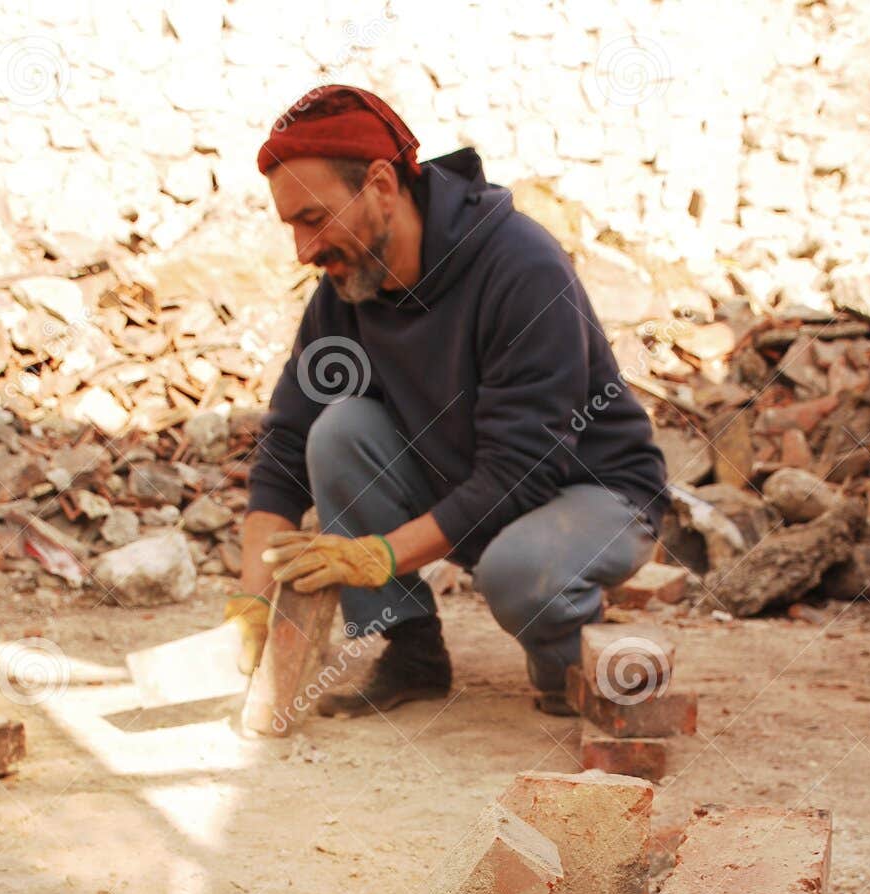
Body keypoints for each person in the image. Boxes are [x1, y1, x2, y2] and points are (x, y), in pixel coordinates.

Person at [229, 83, 668, 717]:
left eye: (314, 218)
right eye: (291, 224)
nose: (303, 250)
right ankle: (411, 652)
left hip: (594, 493)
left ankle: (575, 660)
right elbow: (288, 443)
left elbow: (524, 468)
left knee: (520, 574)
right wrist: (252, 599)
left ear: (381, 187)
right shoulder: (346, 292)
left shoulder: (520, 267)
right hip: (474, 488)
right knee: (338, 430)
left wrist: (377, 554)